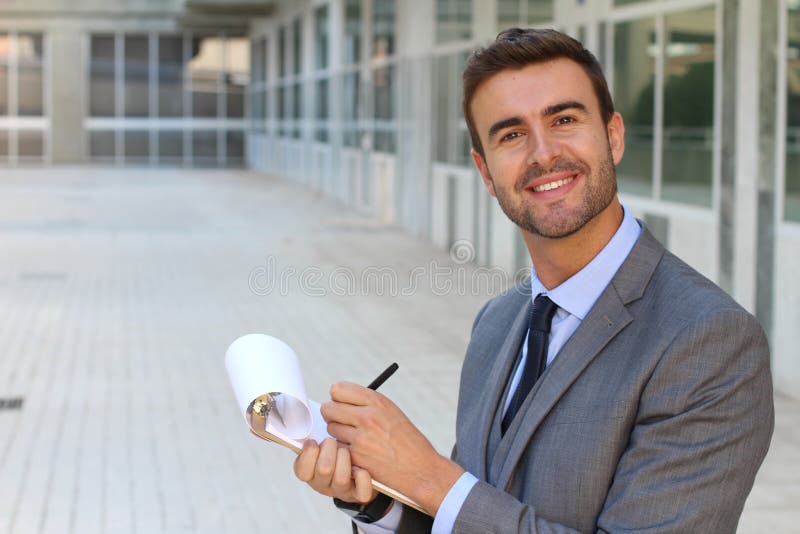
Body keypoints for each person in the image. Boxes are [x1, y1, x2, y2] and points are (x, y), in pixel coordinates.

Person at [293, 28, 774, 533]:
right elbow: (471, 517)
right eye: (511, 135)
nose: (543, 154)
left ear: (613, 136)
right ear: (485, 171)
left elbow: (457, 497)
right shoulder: (497, 322)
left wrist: (430, 477)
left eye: (564, 119)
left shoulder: (711, 340)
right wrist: (382, 503)